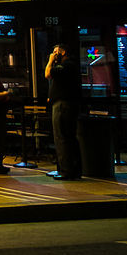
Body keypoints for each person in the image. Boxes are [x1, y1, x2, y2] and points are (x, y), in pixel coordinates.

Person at [45, 44, 82, 179]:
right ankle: (72, 169)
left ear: (63, 51)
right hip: (65, 104)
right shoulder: (67, 66)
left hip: (63, 105)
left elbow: (47, 73)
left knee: (62, 137)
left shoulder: (67, 65)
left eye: (56, 51)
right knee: (68, 137)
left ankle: (66, 171)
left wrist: (50, 61)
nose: (54, 54)